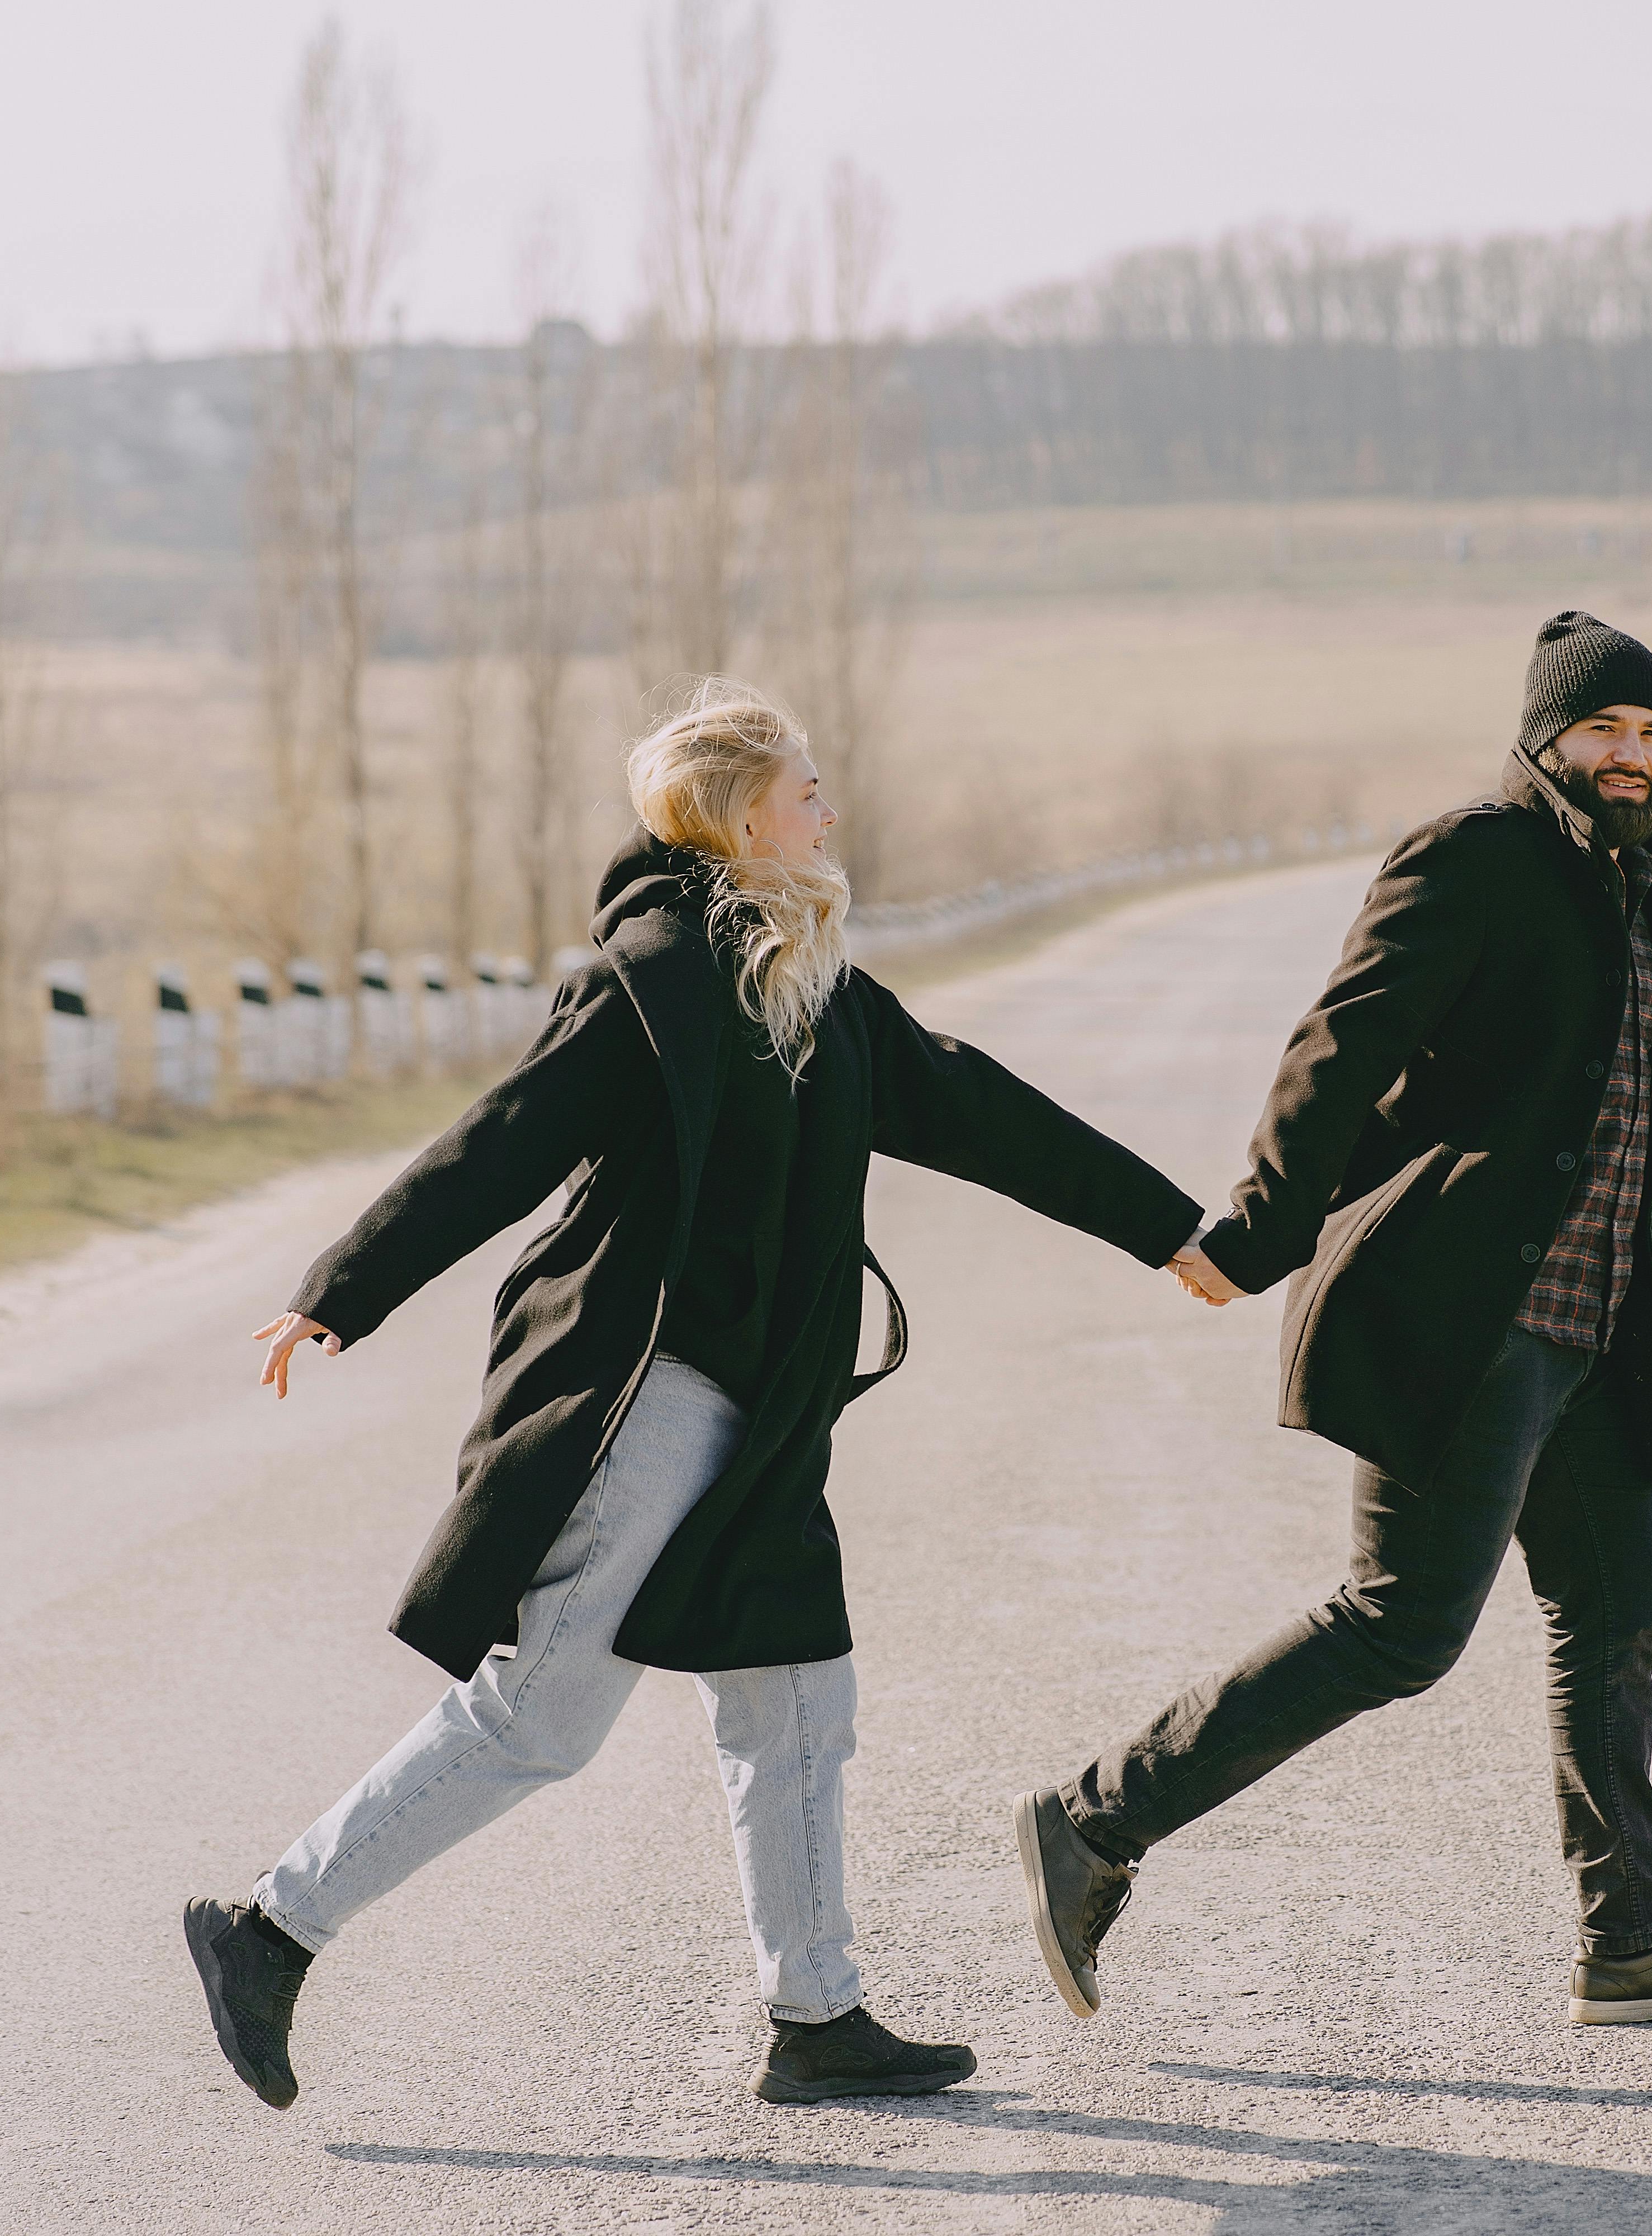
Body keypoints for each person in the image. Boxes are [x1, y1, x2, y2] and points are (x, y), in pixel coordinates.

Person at [184, 679, 1204, 2109]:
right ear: (737, 818)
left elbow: (981, 1108)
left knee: (796, 1700)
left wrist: (1169, 1227)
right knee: (542, 1714)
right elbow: (502, 1141)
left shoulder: (822, 988)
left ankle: (817, 2014)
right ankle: (270, 1926)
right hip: (652, 1392)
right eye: (804, 790)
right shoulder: (650, 978)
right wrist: (343, 1286)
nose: (827, 809)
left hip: (770, 1413)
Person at [1011, 611, 1652, 2027]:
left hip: (1594, 1321)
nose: (1633, 753)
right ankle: (1093, 1817)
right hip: (1469, 1313)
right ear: (1546, 742)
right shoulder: (1475, 857)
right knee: (1403, 1624)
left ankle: (1628, 1937)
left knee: (1620, 1598)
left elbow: (1603, 1092)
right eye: (1604, 728)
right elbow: (1341, 1046)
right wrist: (1260, 1230)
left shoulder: (1650, 883)